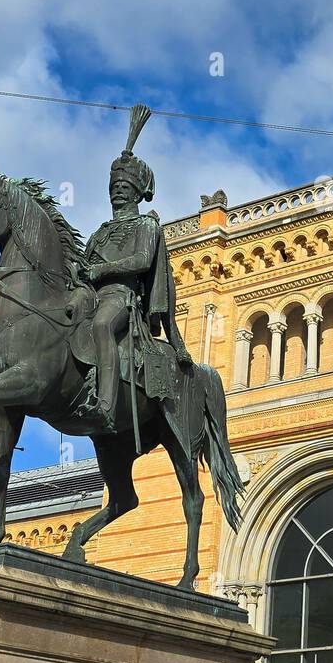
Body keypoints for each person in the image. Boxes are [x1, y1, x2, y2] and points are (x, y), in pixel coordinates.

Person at [79, 105, 191, 428]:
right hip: (92, 296)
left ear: (138, 192)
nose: (117, 190)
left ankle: (105, 405)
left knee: (101, 326)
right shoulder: (100, 232)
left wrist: (101, 271)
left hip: (121, 300)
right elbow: (84, 266)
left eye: (124, 186)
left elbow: (142, 261)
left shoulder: (146, 226)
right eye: (114, 185)